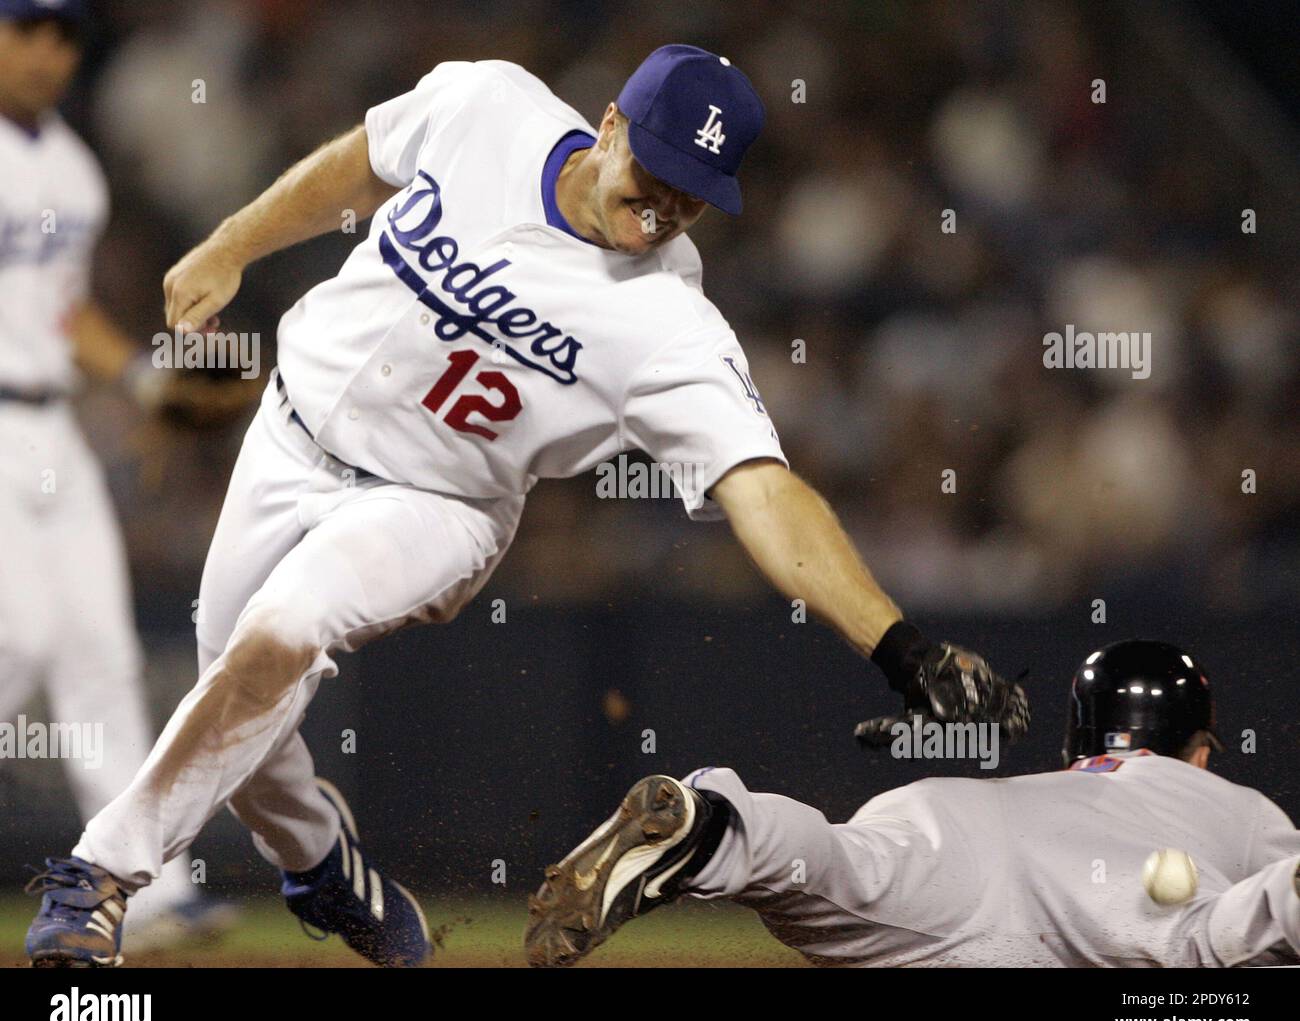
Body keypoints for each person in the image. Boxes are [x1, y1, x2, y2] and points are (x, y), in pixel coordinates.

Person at [25, 43, 1025, 968]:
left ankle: (101, 874)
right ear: (610, 125)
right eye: (657, 171)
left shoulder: (668, 326)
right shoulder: (486, 107)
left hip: (435, 503)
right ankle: (325, 864)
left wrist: (899, 648)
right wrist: (233, 244)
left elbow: (763, 488)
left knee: (282, 633)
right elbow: (365, 162)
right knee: (242, 704)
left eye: (694, 193)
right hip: (285, 438)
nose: (666, 205)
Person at [526, 640, 1300, 968]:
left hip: (959, 821)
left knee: (831, 864)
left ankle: (717, 824)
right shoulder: (1225, 796)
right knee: (1219, 946)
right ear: (1198, 746)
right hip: (1110, 890)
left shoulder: (1064, 781)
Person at [0, 0, 237, 958]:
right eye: (28, 28)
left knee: (101, 650)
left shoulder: (74, 172)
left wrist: (146, 381)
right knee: (14, 645)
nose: (50, 50)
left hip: (51, 425)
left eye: (65, 34)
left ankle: (146, 887)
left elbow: (60, 313)